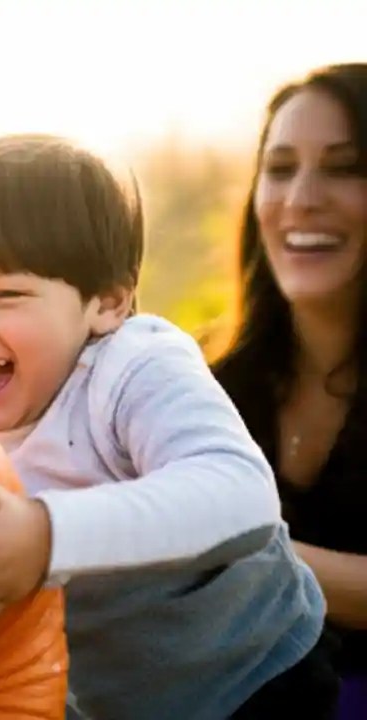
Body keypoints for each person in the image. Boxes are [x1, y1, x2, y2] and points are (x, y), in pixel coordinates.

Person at [0, 133, 335, 719]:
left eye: (5, 294)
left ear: (107, 303)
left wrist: (46, 535)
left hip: (254, 678)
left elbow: (240, 495)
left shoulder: (132, 366)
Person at [211, 63, 367, 720]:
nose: (300, 198)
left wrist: (246, 552)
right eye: (279, 168)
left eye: (344, 167)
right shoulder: (199, 381)